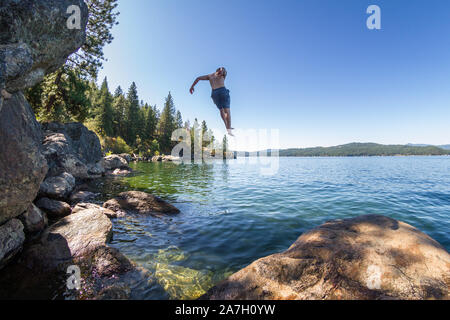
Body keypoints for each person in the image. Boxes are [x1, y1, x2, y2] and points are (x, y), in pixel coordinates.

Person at [190, 67, 234, 136]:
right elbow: (223, 71)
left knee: (221, 110)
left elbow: (198, 78)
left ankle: (227, 127)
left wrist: (192, 86)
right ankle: (229, 129)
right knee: (227, 111)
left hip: (214, 93)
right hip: (222, 91)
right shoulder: (221, 75)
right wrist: (221, 71)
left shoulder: (210, 76)